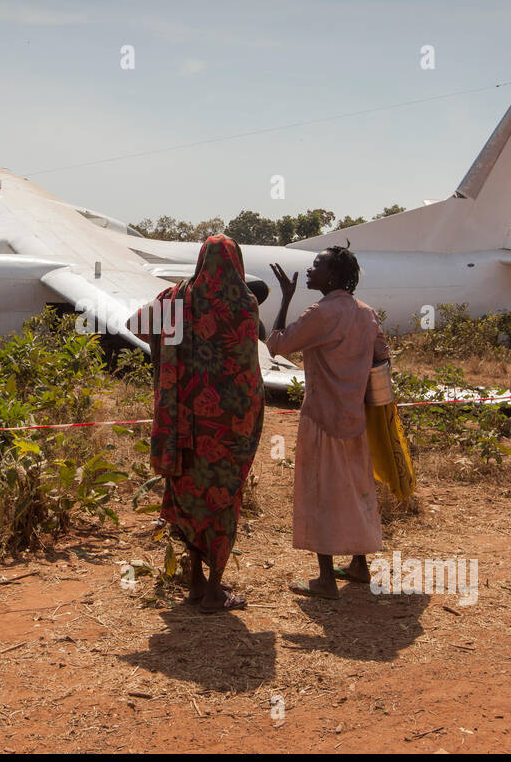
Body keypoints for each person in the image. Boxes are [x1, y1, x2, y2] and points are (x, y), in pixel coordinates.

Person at [128, 235, 264, 613]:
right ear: (237, 263)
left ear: (201, 261)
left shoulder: (174, 299)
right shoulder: (246, 304)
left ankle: (195, 581)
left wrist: (167, 346)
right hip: (231, 424)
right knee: (223, 500)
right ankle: (214, 589)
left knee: (188, 494)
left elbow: (133, 324)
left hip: (184, 422)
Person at [268, 246, 389, 600]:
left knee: (320, 492)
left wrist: (285, 300)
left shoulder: (320, 313)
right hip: (356, 417)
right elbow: (382, 354)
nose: (310, 270)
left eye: (317, 266)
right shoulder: (366, 314)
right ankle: (359, 565)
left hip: (322, 418)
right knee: (354, 490)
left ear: (333, 276)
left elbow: (278, 345)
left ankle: (325, 579)